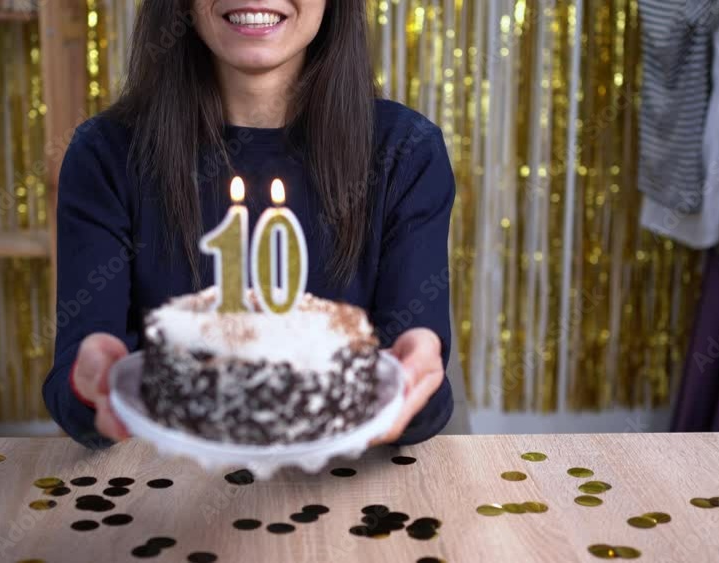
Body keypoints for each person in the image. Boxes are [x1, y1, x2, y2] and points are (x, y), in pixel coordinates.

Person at [44, 0, 456, 448]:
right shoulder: (106, 155)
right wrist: (90, 384)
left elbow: (422, 399)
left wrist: (415, 378)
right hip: (164, 493)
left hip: (346, 493)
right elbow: (75, 391)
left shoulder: (405, 152)